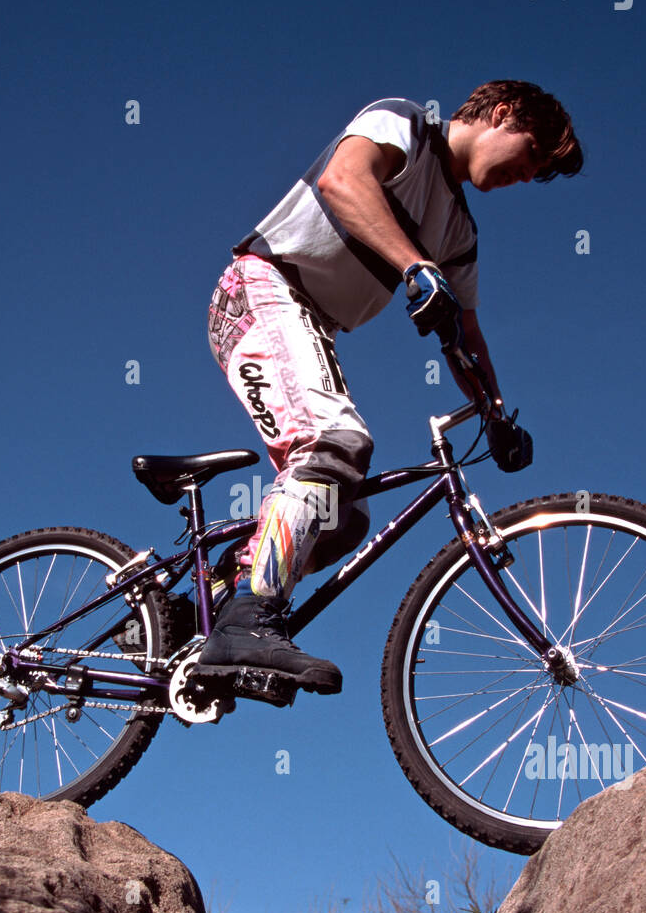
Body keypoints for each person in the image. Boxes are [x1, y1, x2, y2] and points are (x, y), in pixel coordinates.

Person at [193, 81, 583, 695]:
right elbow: (342, 182)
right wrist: (415, 268)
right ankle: (247, 619)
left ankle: (212, 594)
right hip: (262, 288)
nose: (525, 176)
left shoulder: (458, 233)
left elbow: (466, 332)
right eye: (530, 155)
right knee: (333, 443)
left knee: (341, 520)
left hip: (310, 321)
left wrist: (496, 412)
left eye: (535, 174)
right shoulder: (405, 122)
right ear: (502, 115)